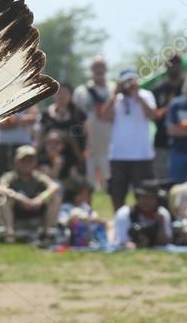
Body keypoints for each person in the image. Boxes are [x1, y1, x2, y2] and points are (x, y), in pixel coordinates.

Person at [101, 67, 157, 212]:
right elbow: (104, 117)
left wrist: (137, 95)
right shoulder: (115, 98)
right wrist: (115, 94)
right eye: (125, 81)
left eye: (131, 81)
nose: (128, 84)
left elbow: (152, 115)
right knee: (117, 194)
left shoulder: (146, 95)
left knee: (145, 194)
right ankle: (120, 223)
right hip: (119, 156)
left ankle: (141, 223)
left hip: (142, 155)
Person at [0, 144, 60, 242]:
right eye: (23, 161)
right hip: (16, 214)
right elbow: (1, 188)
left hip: (35, 213)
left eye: (30, 161)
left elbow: (54, 186)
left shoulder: (38, 176)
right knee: (1, 198)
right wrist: (21, 199)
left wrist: (40, 199)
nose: (27, 164)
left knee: (55, 197)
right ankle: (9, 232)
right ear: (16, 162)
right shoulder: (10, 176)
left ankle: (46, 233)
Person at [73, 56, 116, 190]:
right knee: (89, 185)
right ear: (91, 70)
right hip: (89, 145)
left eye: (101, 66)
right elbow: (75, 119)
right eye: (96, 67)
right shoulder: (81, 92)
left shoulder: (114, 89)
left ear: (106, 69)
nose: (99, 70)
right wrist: (78, 142)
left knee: (110, 185)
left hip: (110, 144)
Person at [38, 82, 87, 169]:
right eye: (58, 92)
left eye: (64, 92)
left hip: (71, 157)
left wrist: (65, 135)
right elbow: (40, 137)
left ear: (71, 95)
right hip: (47, 159)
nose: (61, 95)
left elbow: (79, 138)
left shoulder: (77, 115)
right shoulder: (46, 114)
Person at [152, 54, 184, 180]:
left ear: (181, 65)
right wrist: (167, 110)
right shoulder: (158, 90)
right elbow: (152, 115)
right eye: (171, 63)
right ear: (165, 66)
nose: (174, 66)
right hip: (162, 141)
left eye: (177, 63)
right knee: (162, 180)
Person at [113, 180, 172, 248]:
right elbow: (122, 241)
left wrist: (161, 224)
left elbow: (164, 242)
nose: (147, 201)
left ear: (157, 200)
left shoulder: (163, 213)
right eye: (144, 197)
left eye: (151, 198)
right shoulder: (124, 213)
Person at [0, 105, 38, 184]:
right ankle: (0, 187)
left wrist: (12, 121)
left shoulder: (29, 100)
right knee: (1, 167)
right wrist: (19, 121)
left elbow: (32, 118)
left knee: (22, 167)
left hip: (22, 142)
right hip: (3, 142)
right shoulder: (0, 102)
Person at [58, 177, 108, 248]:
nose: (85, 197)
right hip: (72, 236)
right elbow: (62, 221)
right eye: (82, 194)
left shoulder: (85, 207)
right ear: (74, 194)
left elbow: (94, 217)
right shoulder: (66, 207)